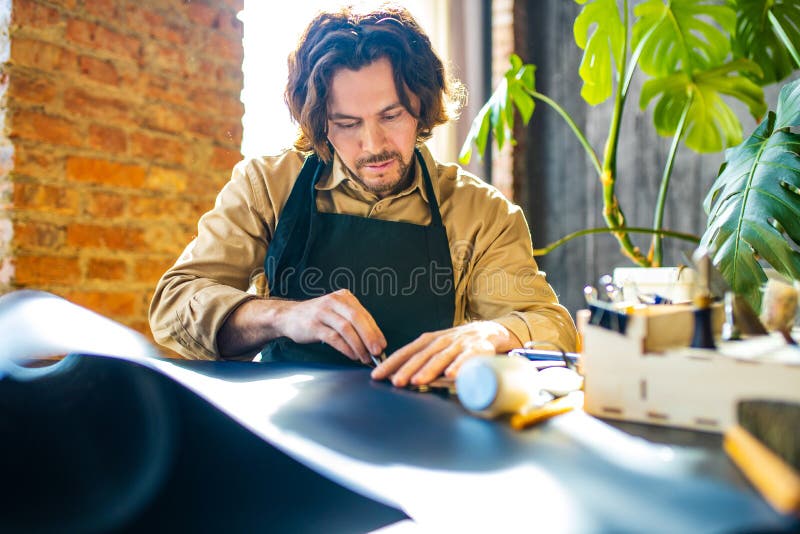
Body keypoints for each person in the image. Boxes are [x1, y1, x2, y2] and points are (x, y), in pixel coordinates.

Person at [149, 4, 576, 388]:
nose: (373, 145)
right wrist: (283, 315)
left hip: (425, 434)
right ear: (320, 122)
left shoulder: (481, 213)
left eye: (390, 116)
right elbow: (173, 304)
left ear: (421, 107)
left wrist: (492, 333)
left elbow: (553, 324)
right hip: (292, 431)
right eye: (347, 123)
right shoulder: (267, 185)